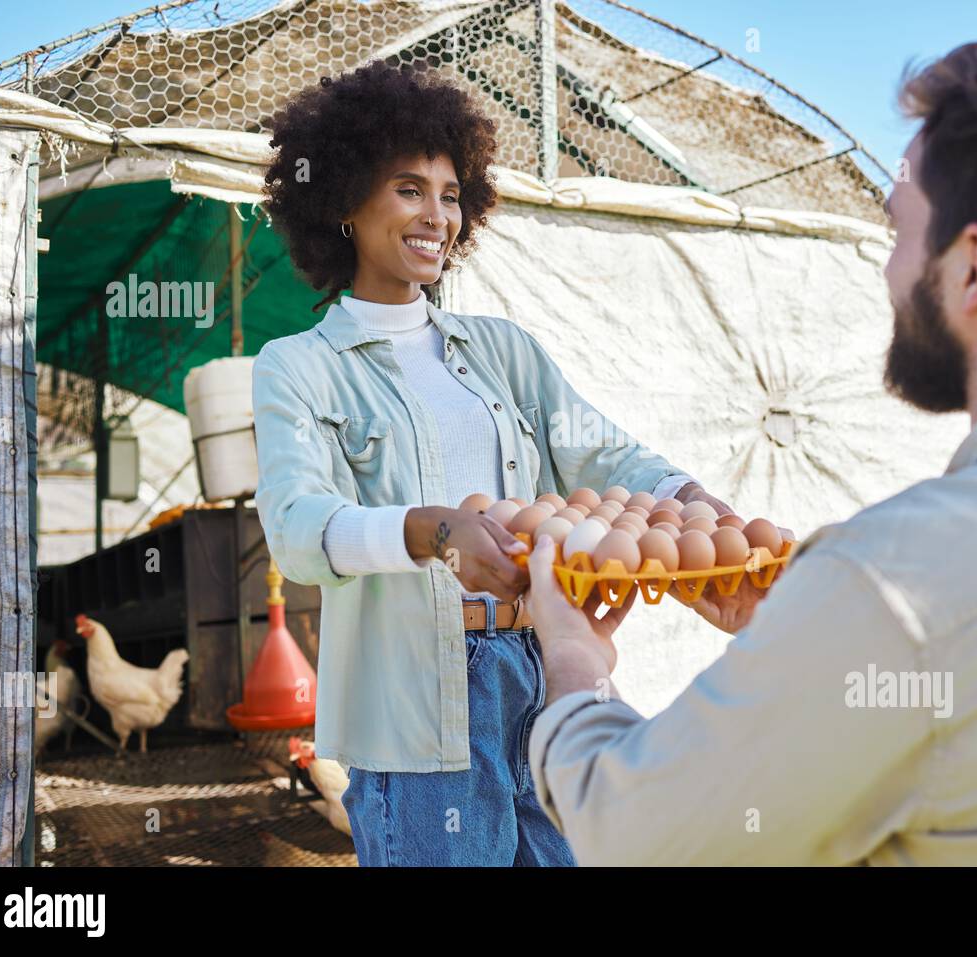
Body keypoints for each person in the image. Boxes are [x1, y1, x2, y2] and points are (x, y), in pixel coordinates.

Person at [523, 42, 977, 865]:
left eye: (897, 232)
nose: (889, 270)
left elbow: (638, 832)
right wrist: (805, 643)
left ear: (974, 266)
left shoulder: (898, 576)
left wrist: (578, 663)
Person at [252, 63, 731, 866]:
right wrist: (434, 530)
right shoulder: (299, 366)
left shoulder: (504, 352)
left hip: (539, 671)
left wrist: (690, 498)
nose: (437, 215)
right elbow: (298, 528)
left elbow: (605, 449)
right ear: (342, 202)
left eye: (450, 192)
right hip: (413, 704)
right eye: (409, 189)